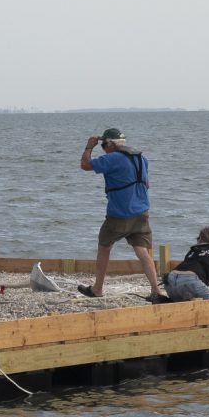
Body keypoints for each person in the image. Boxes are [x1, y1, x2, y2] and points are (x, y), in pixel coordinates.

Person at [79, 126, 166, 302]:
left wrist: (89, 147)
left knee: (104, 247)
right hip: (142, 212)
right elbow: (146, 184)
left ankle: (97, 289)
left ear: (110, 144)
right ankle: (156, 290)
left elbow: (85, 165)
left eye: (104, 145)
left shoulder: (112, 158)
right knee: (142, 251)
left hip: (120, 213)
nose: (103, 148)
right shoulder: (142, 158)